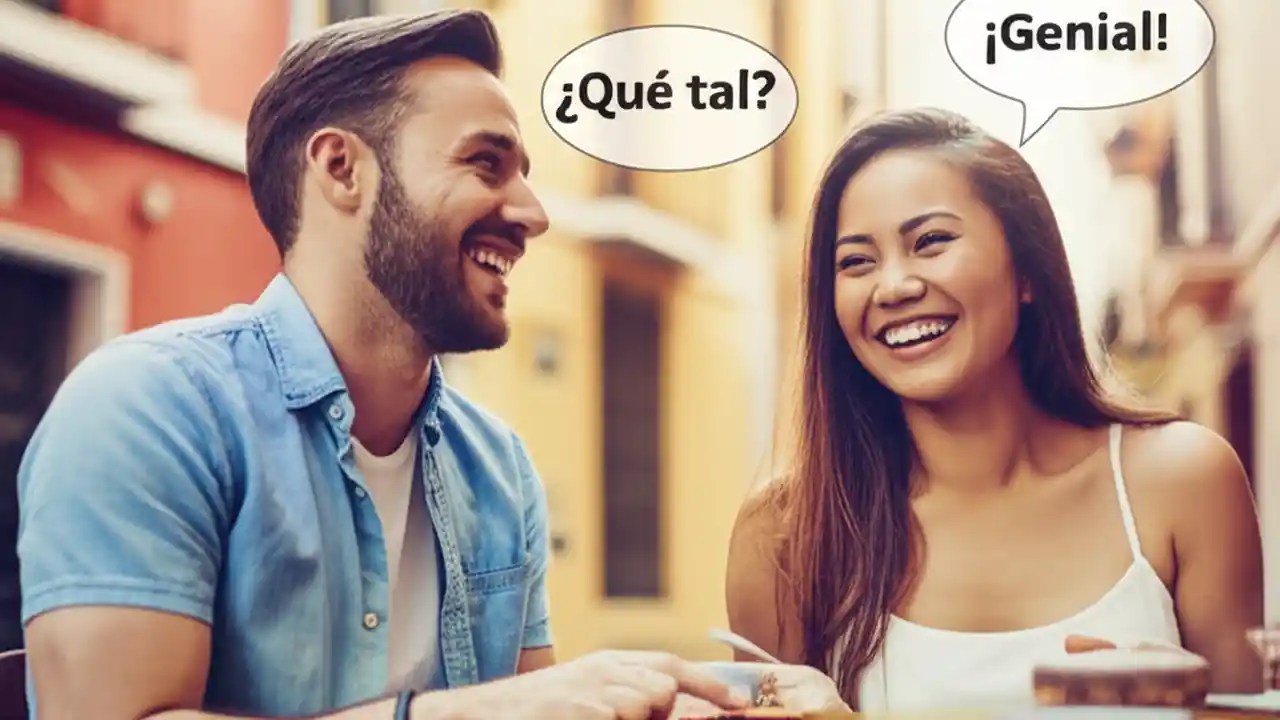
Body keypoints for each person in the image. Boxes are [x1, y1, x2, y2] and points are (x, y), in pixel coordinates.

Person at [14, 10, 752, 720]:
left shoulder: (498, 469)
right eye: (486, 163)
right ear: (342, 169)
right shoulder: (146, 411)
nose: (532, 213)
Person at [724, 107, 1265, 713]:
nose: (894, 285)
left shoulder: (1182, 480)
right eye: (856, 262)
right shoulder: (785, 536)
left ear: (1028, 271)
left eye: (931, 242)